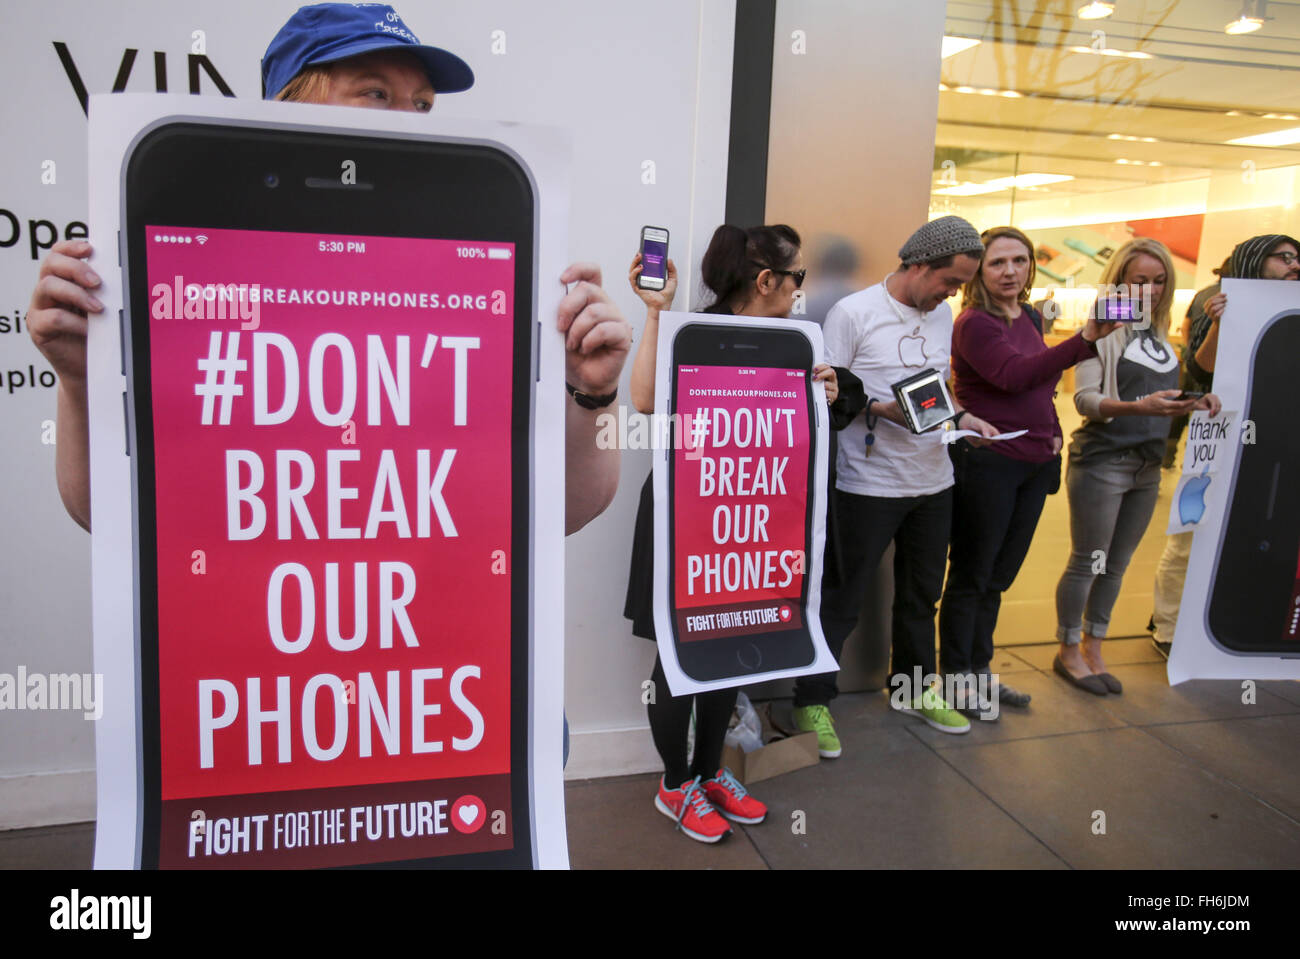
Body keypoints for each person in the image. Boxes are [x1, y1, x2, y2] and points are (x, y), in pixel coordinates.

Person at [27, 3, 631, 539]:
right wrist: (84, 381)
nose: (411, 119)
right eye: (376, 93)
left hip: (426, 655)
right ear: (291, 103)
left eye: (423, 103)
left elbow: (563, 513)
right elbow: (107, 517)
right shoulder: (198, 264)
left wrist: (592, 392)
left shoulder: (480, 273)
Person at [624, 223, 843, 842]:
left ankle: (709, 771)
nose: (801, 289)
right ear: (767, 280)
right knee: (678, 652)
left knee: (734, 644)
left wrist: (823, 394)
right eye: (796, 277)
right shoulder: (691, 333)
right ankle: (676, 785)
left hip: (753, 517)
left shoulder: (796, 345)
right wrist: (655, 313)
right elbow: (643, 402)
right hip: (683, 515)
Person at [791, 215, 1000, 748]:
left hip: (934, 479)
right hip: (865, 483)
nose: (952, 293)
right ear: (917, 264)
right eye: (948, 280)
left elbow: (938, 387)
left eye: (958, 286)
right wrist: (884, 410)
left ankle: (911, 688)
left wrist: (963, 418)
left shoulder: (942, 313)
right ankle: (812, 703)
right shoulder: (854, 313)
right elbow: (826, 395)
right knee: (841, 599)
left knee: (920, 595)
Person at [939, 226, 1114, 713]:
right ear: (978, 271)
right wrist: (1084, 339)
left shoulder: (1030, 316)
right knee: (972, 575)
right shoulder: (975, 323)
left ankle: (979, 670)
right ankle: (956, 680)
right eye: (997, 263)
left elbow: (1041, 387)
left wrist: (1054, 429)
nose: (1010, 271)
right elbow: (1014, 376)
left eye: (1019, 260)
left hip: (1035, 463)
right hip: (990, 463)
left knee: (998, 577)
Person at [1053, 238, 1220, 694]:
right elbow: (1085, 400)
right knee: (1089, 561)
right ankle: (1068, 649)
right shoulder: (1103, 325)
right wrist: (1140, 407)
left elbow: (1174, 388)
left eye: (1159, 281)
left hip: (1147, 467)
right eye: (1139, 280)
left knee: (1117, 565)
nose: (1149, 290)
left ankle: (1094, 645)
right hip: (1103, 461)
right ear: (1121, 279)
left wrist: (1194, 401)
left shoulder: (1160, 330)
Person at [1150, 233, 1299, 658]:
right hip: (1216, 433)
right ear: (1255, 261)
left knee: (1257, 532)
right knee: (1191, 531)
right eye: (1283, 257)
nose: (1294, 265)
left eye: (1297, 258)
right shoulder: (1218, 300)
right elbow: (1200, 368)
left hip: (1274, 441)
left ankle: (1231, 624)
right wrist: (1218, 322)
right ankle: (1169, 627)